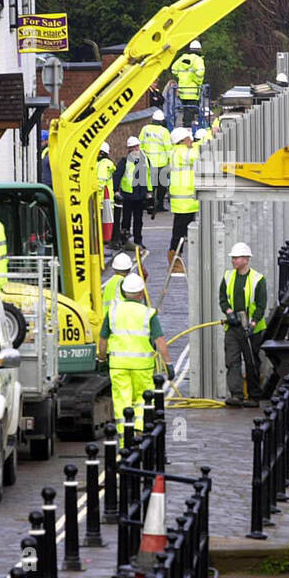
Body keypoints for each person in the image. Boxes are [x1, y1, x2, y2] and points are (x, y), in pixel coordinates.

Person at [97, 273, 173, 430]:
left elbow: (103, 340)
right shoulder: (148, 313)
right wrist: (168, 364)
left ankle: (124, 439)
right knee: (142, 400)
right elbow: (160, 341)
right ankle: (139, 431)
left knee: (122, 401)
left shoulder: (112, 312)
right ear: (140, 293)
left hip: (119, 366)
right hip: (142, 367)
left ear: (124, 292)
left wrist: (102, 360)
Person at [218, 242, 268, 407]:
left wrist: (253, 323)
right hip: (233, 327)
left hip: (251, 328)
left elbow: (261, 305)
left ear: (246, 259)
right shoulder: (228, 277)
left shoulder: (258, 280)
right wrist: (229, 313)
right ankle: (237, 395)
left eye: (237, 258)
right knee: (232, 360)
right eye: (233, 258)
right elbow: (223, 299)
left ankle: (254, 396)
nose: (233, 261)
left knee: (252, 361)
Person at [167, 127, 198, 275]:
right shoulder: (182, 152)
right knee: (180, 234)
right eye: (189, 138)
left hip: (183, 201)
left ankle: (176, 260)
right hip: (186, 201)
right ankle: (175, 262)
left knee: (179, 233)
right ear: (183, 141)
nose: (191, 141)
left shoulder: (176, 152)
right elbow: (200, 154)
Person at [118, 135, 152, 250]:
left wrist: (149, 191)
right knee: (126, 219)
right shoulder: (124, 161)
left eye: (137, 146)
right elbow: (118, 175)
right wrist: (115, 191)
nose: (136, 149)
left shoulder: (145, 159)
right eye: (133, 147)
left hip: (140, 194)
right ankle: (124, 241)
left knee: (138, 219)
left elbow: (149, 176)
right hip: (128, 194)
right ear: (129, 149)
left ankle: (138, 240)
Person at [138, 110, 172, 216]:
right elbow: (168, 148)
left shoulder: (145, 129)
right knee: (162, 186)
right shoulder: (164, 131)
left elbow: (140, 144)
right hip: (161, 163)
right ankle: (160, 205)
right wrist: (171, 162)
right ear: (162, 121)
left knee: (149, 185)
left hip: (148, 162)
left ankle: (149, 204)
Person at [171, 40, 206, 127]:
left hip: (182, 92)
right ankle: (188, 127)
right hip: (193, 92)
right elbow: (200, 73)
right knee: (191, 111)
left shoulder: (182, 58)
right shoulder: (198, 60)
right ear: (199, 50)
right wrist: (195, 80)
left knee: (187, 110)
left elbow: (174, 70)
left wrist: (181, 76)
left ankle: (187, 125)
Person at [96, 142, 116, 245]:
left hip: (101, 199)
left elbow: (100, 182)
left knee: (100, 222)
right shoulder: (103, 163)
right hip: (104, 199)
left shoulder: (104, 164)